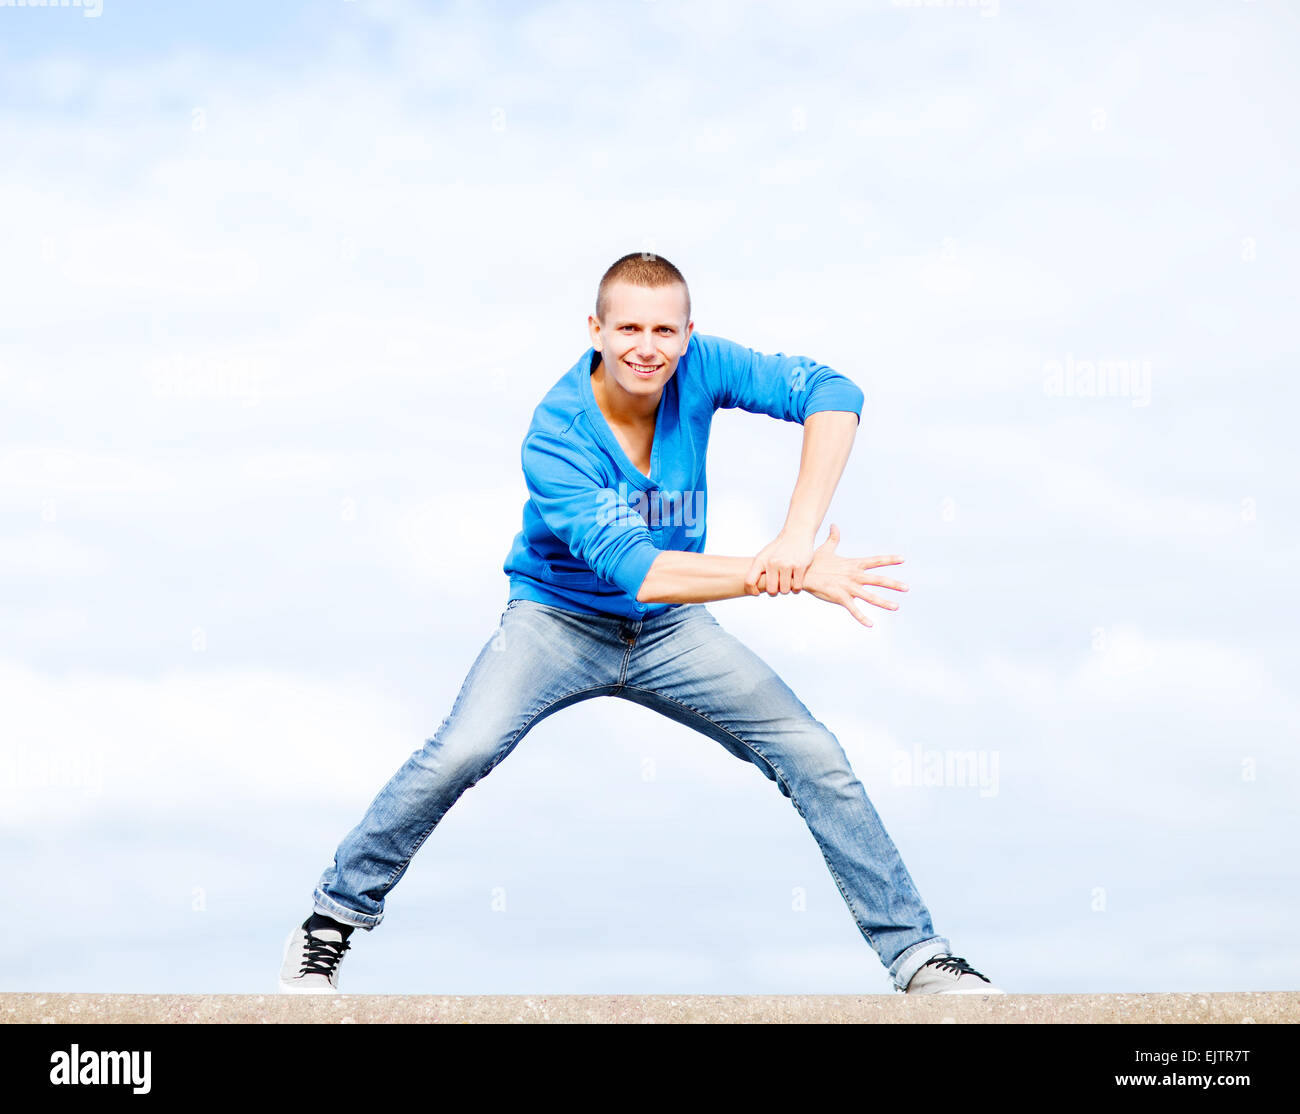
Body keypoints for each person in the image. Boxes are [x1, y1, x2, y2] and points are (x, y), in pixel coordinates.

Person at [279, 252, 1003, 997]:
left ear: (689, 335)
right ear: (595, 329)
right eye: (628, 327)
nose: (647, 346)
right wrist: (781, 572)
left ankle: (918, 957)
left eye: (665, 329)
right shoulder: (556, 435)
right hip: (558, 621)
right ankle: (328, 924)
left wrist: (798, 534)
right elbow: (643, 569)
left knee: (814, 753)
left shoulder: (703, 368)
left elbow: (834, 392)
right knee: (461, 749)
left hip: (668, 631)